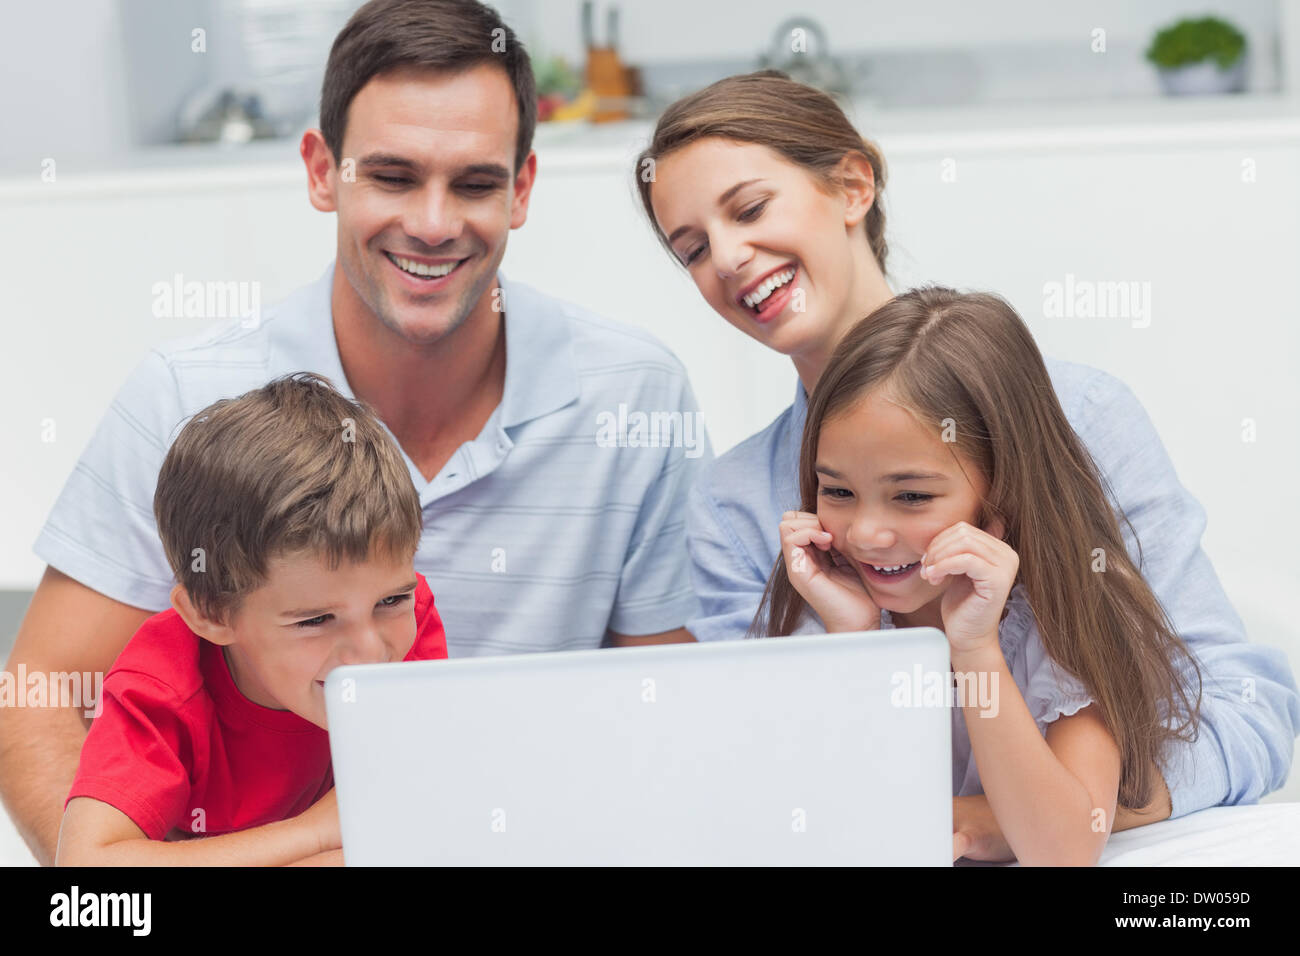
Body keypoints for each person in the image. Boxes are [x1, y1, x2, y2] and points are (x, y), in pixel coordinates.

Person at [1, 0, 706, 866]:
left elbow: (664, 706)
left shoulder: (633, 395)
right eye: (394, 176)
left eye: (476, 183)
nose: (435, 223)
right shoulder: (184, 395)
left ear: (522, 189)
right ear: (322, 172)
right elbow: (36, 696)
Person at [635, 70, 1299, 860]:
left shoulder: (1077, 420)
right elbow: (769, 783)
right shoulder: (736, 506)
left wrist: (1027, 813)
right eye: (693, 250)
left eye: (749, 209)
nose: (730, 257)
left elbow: (1248, 713)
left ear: (853, 186)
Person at [766, 288, 1204, 865]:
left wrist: (975, 647)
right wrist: (855, 641)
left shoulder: (1065, 616)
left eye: (912, 495)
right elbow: (814, 822)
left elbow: (1064, 851)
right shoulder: (822, 608)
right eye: (838, 491)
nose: (867, 533)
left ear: (1001, 492)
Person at [57, 373, 447, 865]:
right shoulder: (161, 690)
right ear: (212, 613)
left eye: (389, 601)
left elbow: (422, 816)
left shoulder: (411, 618)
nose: (369, 650)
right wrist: (315, 832)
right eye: (316, 619)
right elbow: (86, 870)